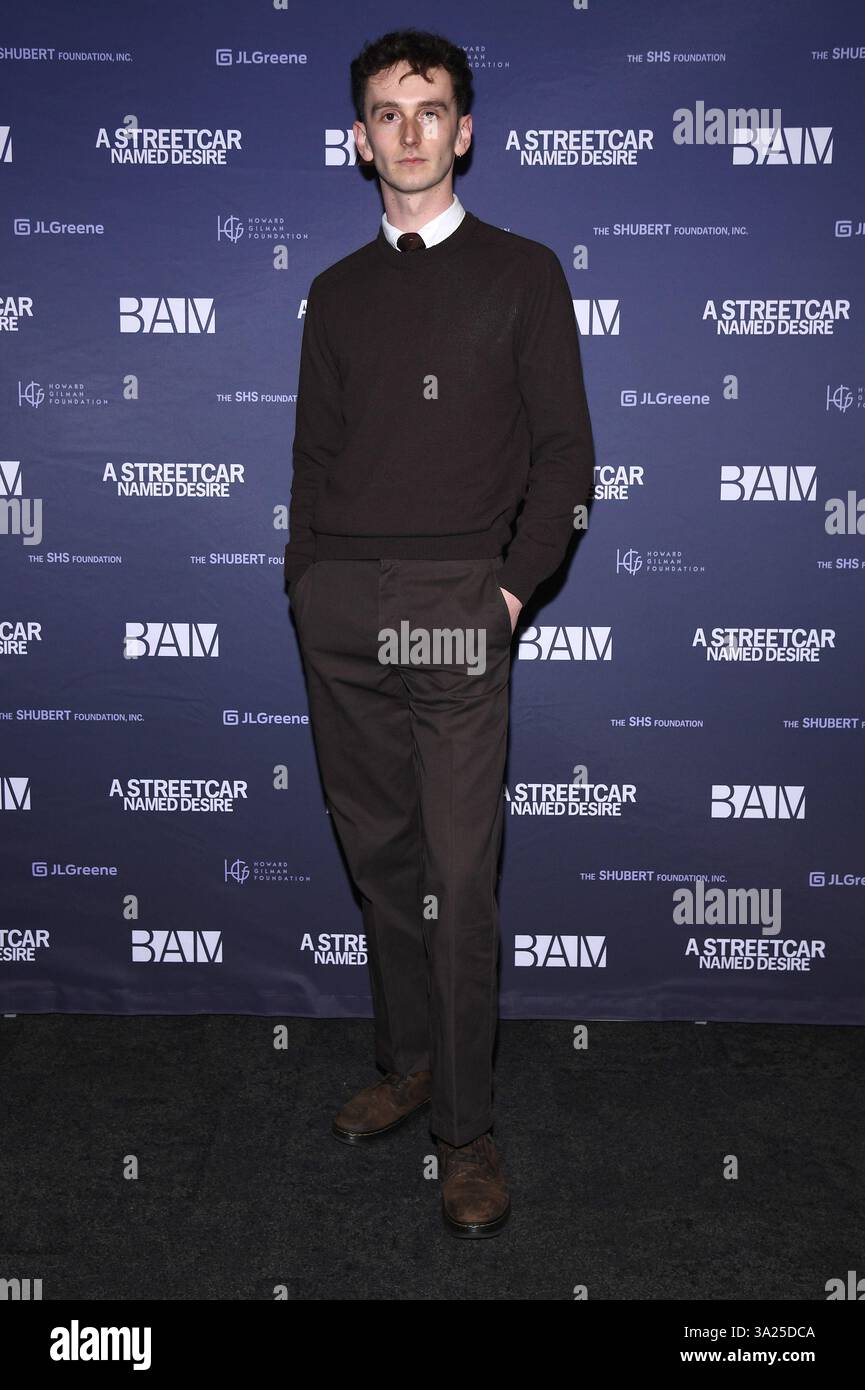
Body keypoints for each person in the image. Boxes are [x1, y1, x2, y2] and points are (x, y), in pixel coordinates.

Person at [284, 27, 595, 1237]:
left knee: (460, 881)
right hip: (342, 611)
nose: (407, 131)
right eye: (385, 113)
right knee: (386, 868)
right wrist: (307, 580)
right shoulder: (337, 294)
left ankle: (465, 1128)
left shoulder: (524, 273)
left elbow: (568, 459)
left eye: (429, 110)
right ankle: (407, 1063)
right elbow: (311, 460)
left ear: (462, 131)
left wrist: (508, 592)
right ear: (360, 141)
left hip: (462, 606)